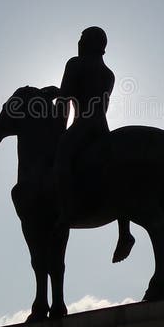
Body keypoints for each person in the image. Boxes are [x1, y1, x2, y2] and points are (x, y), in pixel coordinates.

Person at [56, 26, 134, 261]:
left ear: (89, 42)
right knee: (119, 173)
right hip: (102, 125)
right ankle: (125, 231)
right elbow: (103, 105)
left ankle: (64, 208)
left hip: (83, 124)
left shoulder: (75, 64)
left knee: (61, 156)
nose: (78, 42)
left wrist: (59, 130)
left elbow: (65, 100)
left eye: (82, 38)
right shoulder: (109, 73)